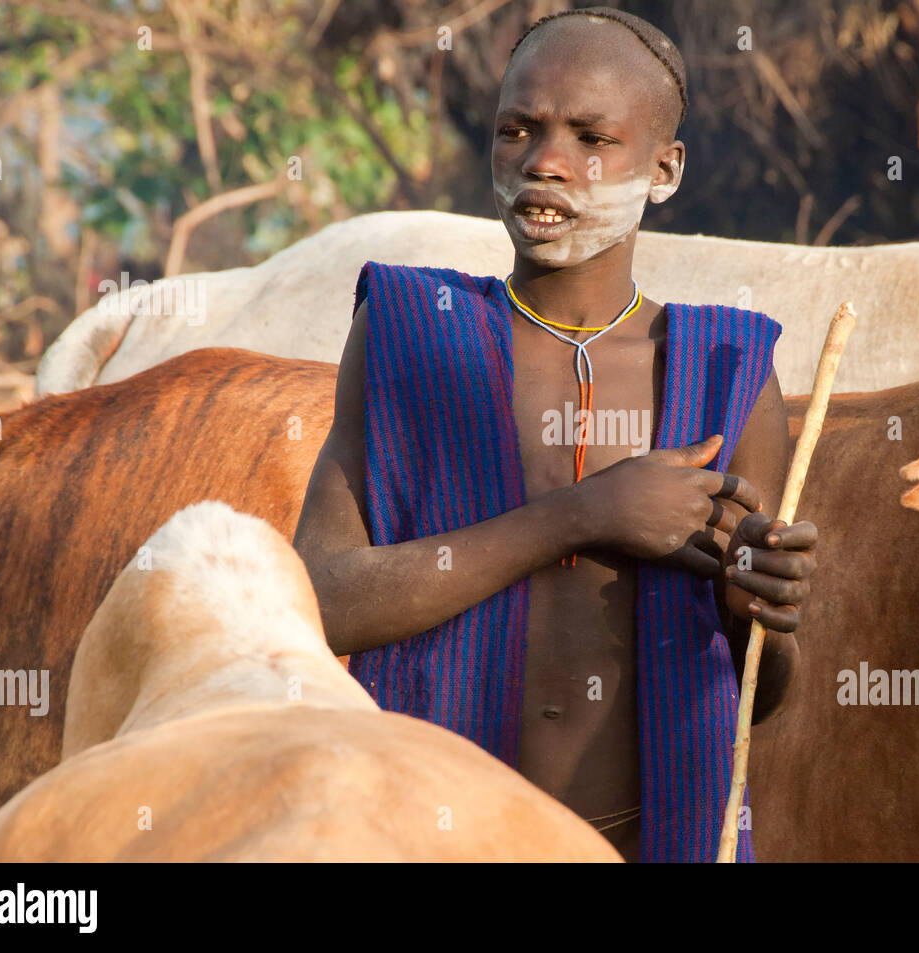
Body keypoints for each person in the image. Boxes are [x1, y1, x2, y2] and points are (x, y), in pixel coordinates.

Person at [293, 6, 817, 863]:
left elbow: (760, 694)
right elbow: (319, 600)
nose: (546, 162)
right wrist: (586, 515)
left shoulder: (728, 369)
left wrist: (762, 610)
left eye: (591, 137)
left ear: (665, 169)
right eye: (519, 130)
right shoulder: (407, 331)